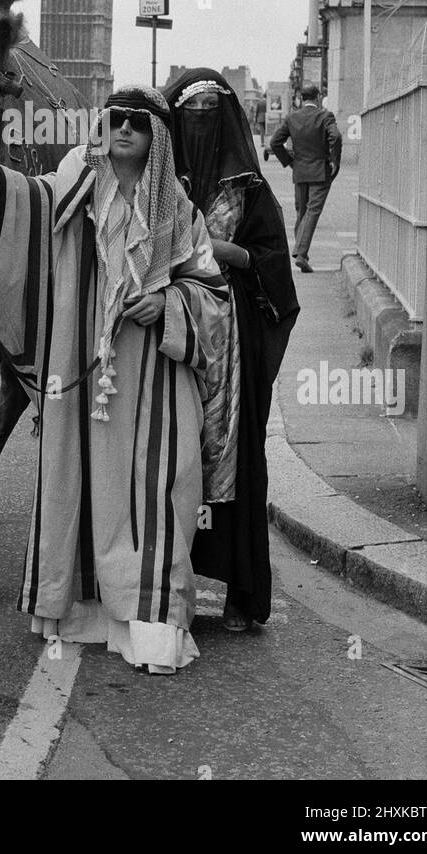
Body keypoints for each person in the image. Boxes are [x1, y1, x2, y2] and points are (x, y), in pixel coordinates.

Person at [0, 86, 229, 674]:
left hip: (156, 379)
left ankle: (148, 618)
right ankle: (83, 611)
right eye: (115, 119)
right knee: (79, 483)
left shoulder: (179, 211)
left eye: (138, 124)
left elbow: (214, 294)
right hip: (79, 367)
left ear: (159, 138)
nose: (123, 130)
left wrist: (170, 305)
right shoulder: (72, 182)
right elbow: (22, 209)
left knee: (160, 489)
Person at [163, 68, 299, 631]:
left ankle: (241, 592)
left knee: (233, 462)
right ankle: (156, 587)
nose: (199, 125)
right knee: (163, 455)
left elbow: (272, 266)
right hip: (164, 336)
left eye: (209, 115)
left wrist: (217, 248)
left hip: (229, 347)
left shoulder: (249, 189)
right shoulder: (155, 182)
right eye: (187, 116)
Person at [269, 83, 341, 273]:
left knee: (302, 212)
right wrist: (334, 161)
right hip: (320, 171)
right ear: (318, 97)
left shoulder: (292, 117)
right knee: (312, 212)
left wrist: (290, 162)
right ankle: (300, 253)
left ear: (301, 98)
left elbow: (275, 142)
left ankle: (301, 254)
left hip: (299, 171)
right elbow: (336, 137)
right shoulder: (325, 116)